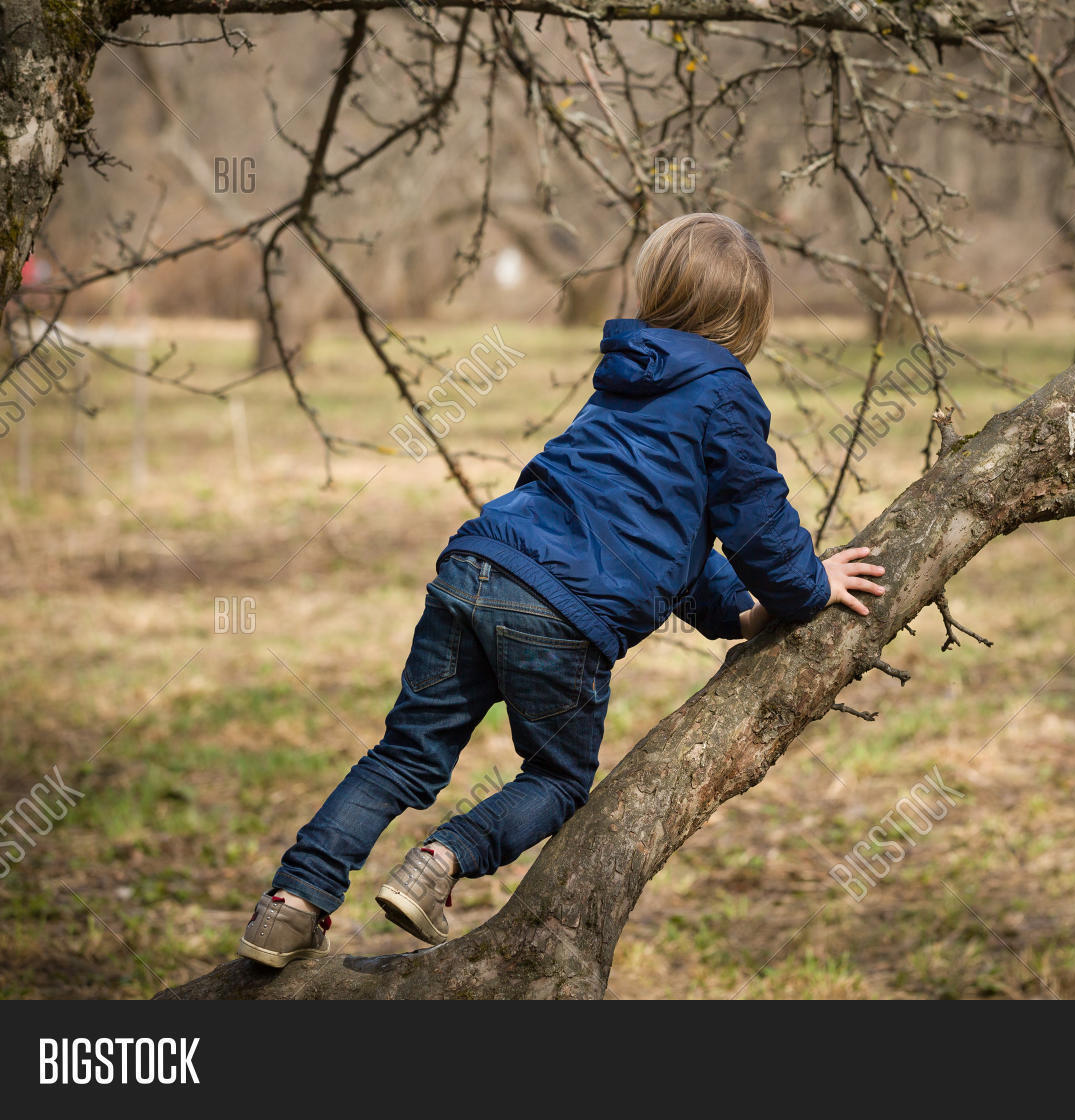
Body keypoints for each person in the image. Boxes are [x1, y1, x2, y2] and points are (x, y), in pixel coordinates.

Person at [237, 212, 886, 967]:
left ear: (657, 288)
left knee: (404, 756)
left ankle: (289, 905)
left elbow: (659, 532)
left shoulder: (622, 379)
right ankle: (441, 862)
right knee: (556, 777)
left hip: (477, 565)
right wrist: (809, 585)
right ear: (751, 316)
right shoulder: (725, 393)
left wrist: (736, 615)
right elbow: (757, 521)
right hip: (561, 614)